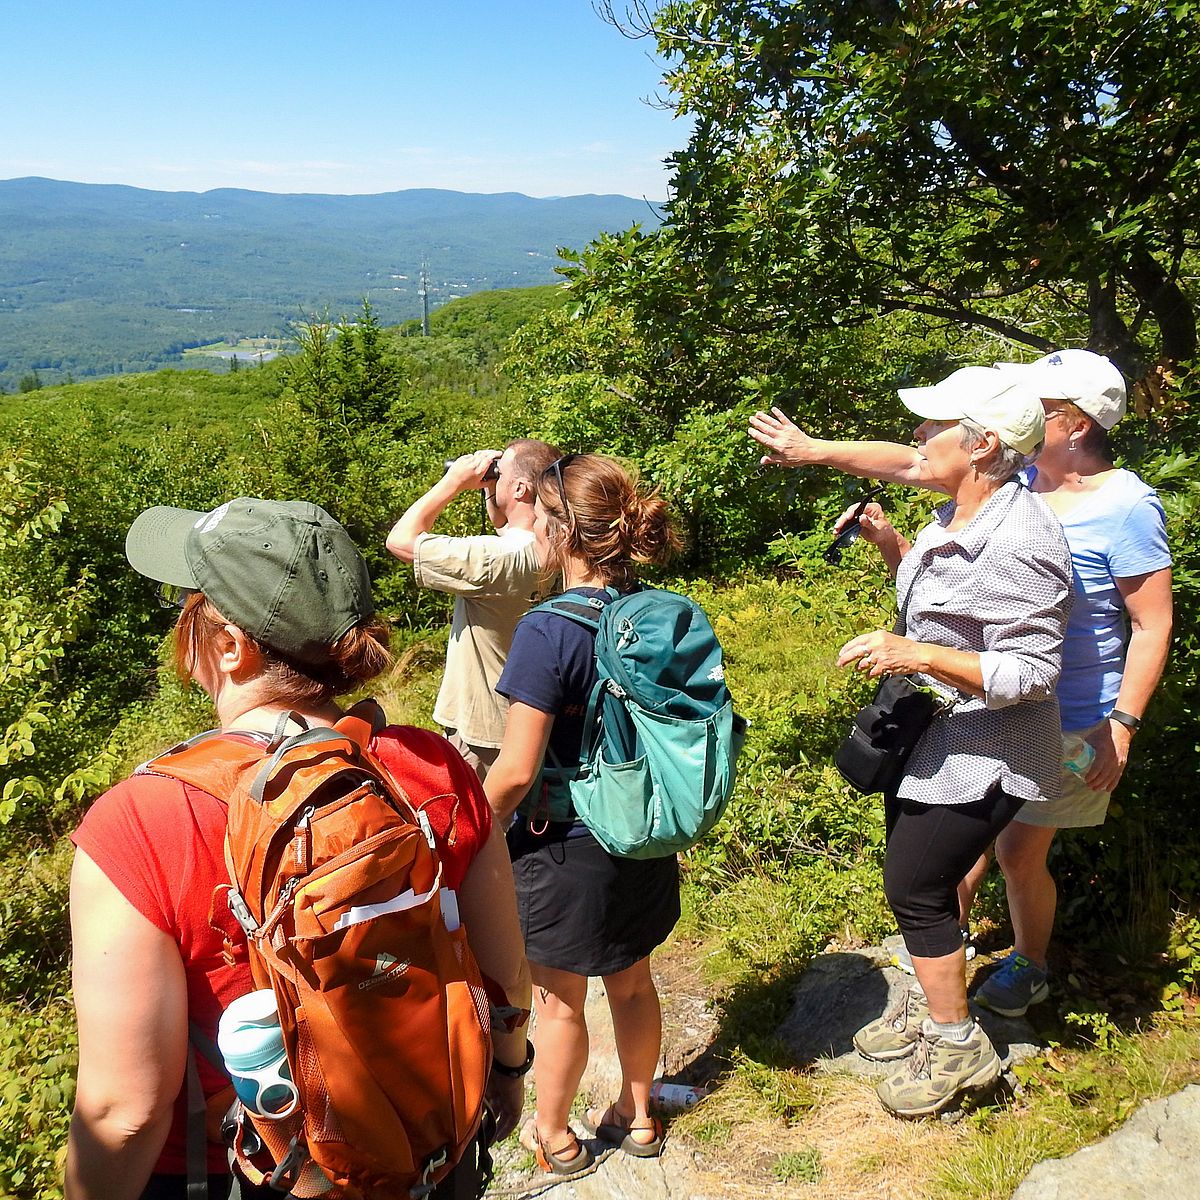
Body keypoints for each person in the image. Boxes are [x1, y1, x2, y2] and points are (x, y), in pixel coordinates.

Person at [67, 498, 532, 1200]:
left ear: (229, 645)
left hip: (254, 1170)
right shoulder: (432, 770)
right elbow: (506, 979)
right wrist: (506, 1079)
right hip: (426, 1151)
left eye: (188, 608)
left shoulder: (139, 821)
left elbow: (123, 1112)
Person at [752, 368, 1073, 1117]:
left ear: (984, 443)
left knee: (917, 887)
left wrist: (916, 655)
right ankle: (938, 1011)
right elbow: (949, 598)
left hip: (987, 750)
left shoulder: (1023, 536)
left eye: (935, 427)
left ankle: (958, 1043)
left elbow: (1032, 669)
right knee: (920, 880)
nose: (918, 439)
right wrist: (878, 526)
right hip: (936, 739)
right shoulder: (962, 508)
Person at [483, 454, 682, 1174]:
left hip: (564, 843)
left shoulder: (546, 630)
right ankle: (639, 1116)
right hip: (645, 830)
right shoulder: (652, 613)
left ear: (559, 526)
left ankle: (556, 1136)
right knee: (633, 980)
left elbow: (514, 769)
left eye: (533, 512)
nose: (525, 523)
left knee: (559, 1001)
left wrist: (459, 829)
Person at [958, 351, 1172, 1016]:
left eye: (1038, 409)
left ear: (1076, 424)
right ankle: (942, 941)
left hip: (1076, 715)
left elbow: (1152, 625)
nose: (1020, 417)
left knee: (1019, 848)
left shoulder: (1128, 506)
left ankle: (1030, 964)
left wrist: (1122, 726)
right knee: (963, 824)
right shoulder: (1018, 478)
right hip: (996, 693)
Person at [386, 439, 560, 780]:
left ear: (522, 488)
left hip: (483, 732)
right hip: (529, 720)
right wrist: (494, 488)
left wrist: (453, 482)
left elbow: (400, 540)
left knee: (476, 826)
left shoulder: (494, 559)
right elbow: (509, 527)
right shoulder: (554, 544)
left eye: (501, 472)